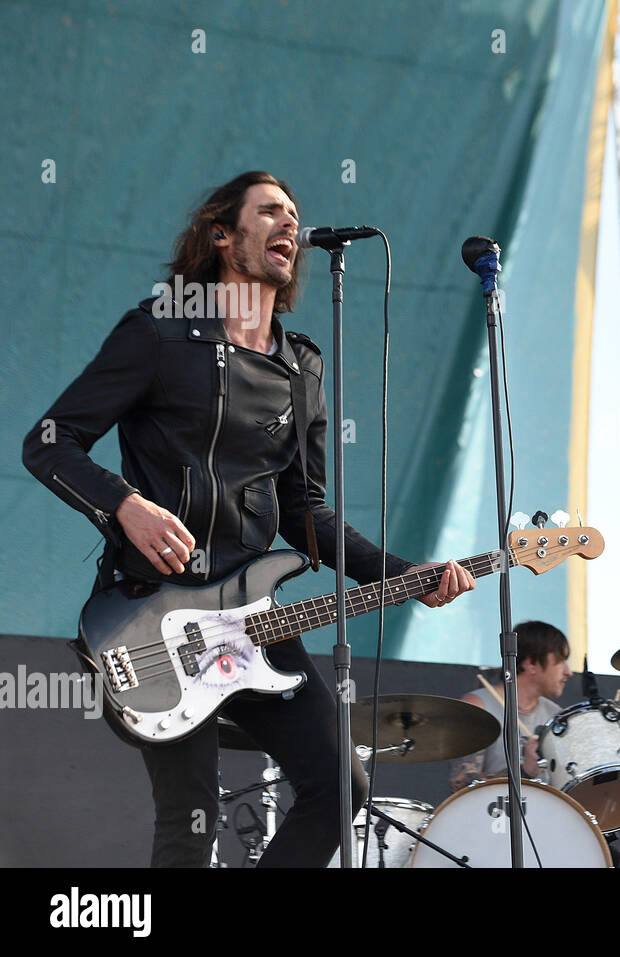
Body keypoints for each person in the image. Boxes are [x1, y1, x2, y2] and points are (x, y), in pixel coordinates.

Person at [22, 170, 475, 867]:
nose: (289, 223)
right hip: (151, 610)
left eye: (294, 214)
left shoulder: (302, 371)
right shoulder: (159, 332)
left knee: (339, 789)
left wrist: (406, 573)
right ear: (222, 234)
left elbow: (305, 514)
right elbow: (49, 442)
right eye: (269, 212)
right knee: (192, 819)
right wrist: (125, 504)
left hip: (252, 612)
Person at [449, 620, 572, 791]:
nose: (568, 672)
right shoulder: (478, 706)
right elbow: (460, 782)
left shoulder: (557, 717)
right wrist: (524, 771)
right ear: (530, 664)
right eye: (560, 662)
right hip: (491, 814)